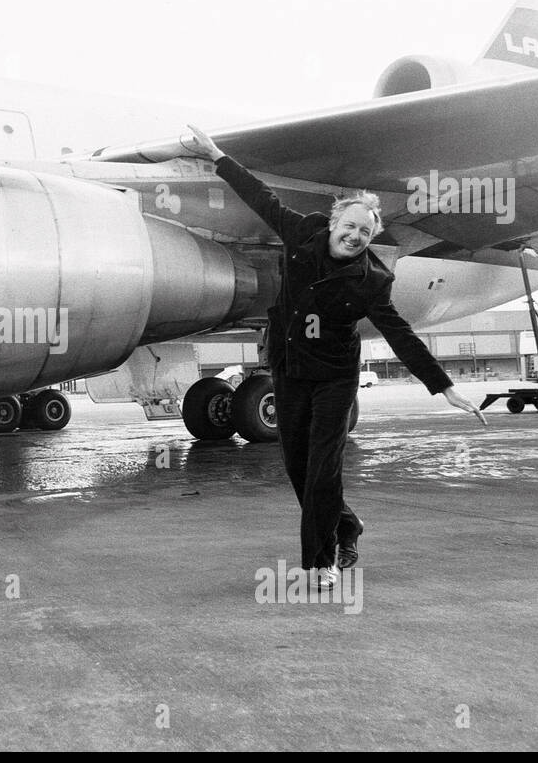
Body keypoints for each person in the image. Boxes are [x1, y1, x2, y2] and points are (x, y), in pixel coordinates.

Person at [184, 125, 487, 589]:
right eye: (349, 226)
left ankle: (319, 563)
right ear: (333, 223)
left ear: (371, 237)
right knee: (298, 468)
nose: (355, 236)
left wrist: (443, 386)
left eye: (365, 232)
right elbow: (259, 197)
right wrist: (217, 156)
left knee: (322, 468)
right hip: (290, 370)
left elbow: (400, 334)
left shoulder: (372, 281)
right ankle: (346, 524)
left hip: (334, 377)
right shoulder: (302, 233)